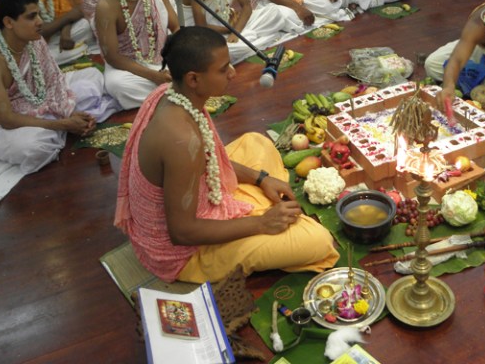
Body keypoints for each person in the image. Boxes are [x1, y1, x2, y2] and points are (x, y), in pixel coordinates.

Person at [114, 26, 339, 283]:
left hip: (198, 196)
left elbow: (209, 159)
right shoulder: (180, 140)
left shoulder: (168, 93)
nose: (232, 74)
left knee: (256, 142)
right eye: (223, 69)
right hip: (187, 252)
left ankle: (255, 203)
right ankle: (258, 214)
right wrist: (261, 224)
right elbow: (182, 233)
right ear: (193, 79)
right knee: (318, 242)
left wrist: (261, 178)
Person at [0, 0, 118, 175]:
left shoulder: (33, 39)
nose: (40, 22)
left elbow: (54, 83)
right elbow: (6, 120)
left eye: (39, 15)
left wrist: (70, 113)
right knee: (34, 147)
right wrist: (65, 123)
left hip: (36, 102)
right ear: (9, 22)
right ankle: (58, 128)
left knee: (91, 77)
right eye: (31, 16)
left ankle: (59, 126)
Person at [94, 0, 179, 110]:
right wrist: (154, 76)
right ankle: (174, 90)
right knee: (118, 85)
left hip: (161, 56)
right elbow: (112, 57)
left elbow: (175, 28)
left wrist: (180, 57)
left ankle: (164, 92)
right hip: (128, 65)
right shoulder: (106, 7)